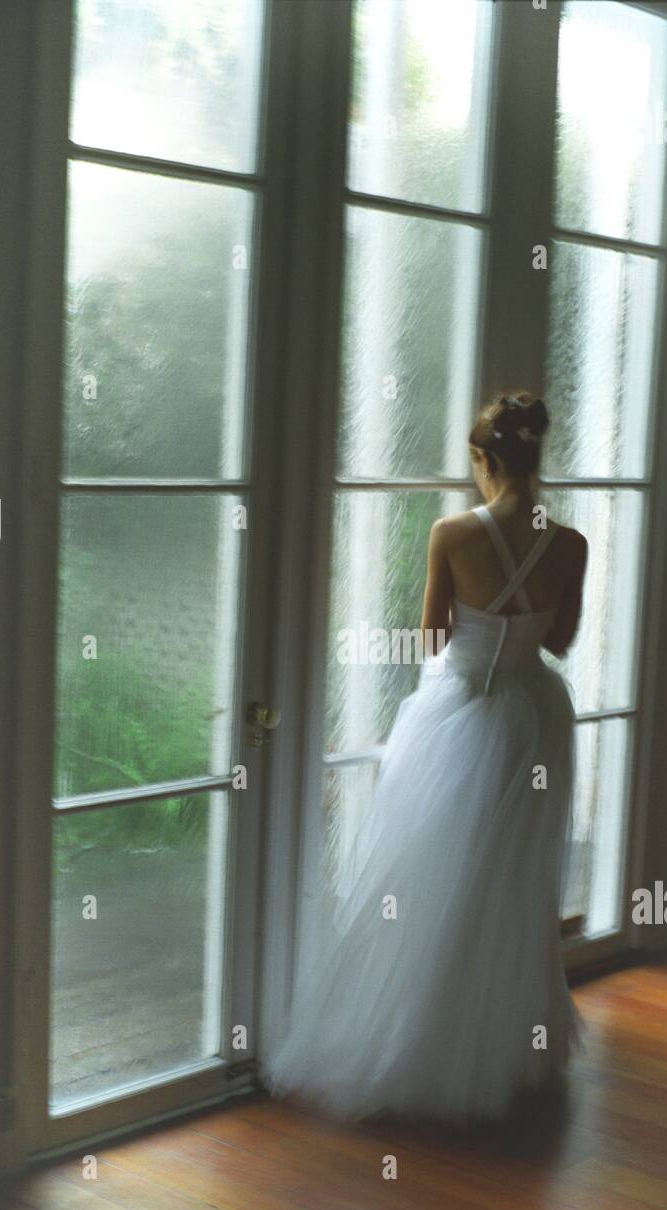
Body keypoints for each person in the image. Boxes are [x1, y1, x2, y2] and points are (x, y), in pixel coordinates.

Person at [263, 391, 588, 1125]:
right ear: (537, 457)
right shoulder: (570, 544)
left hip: (461, 712)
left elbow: (434, 637)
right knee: (511, 880)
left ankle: (421, 1037)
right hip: (534, 715)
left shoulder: (451, 533)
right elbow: (558, 641)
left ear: (486, 459)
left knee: (430, 878)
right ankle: (505, 1042)